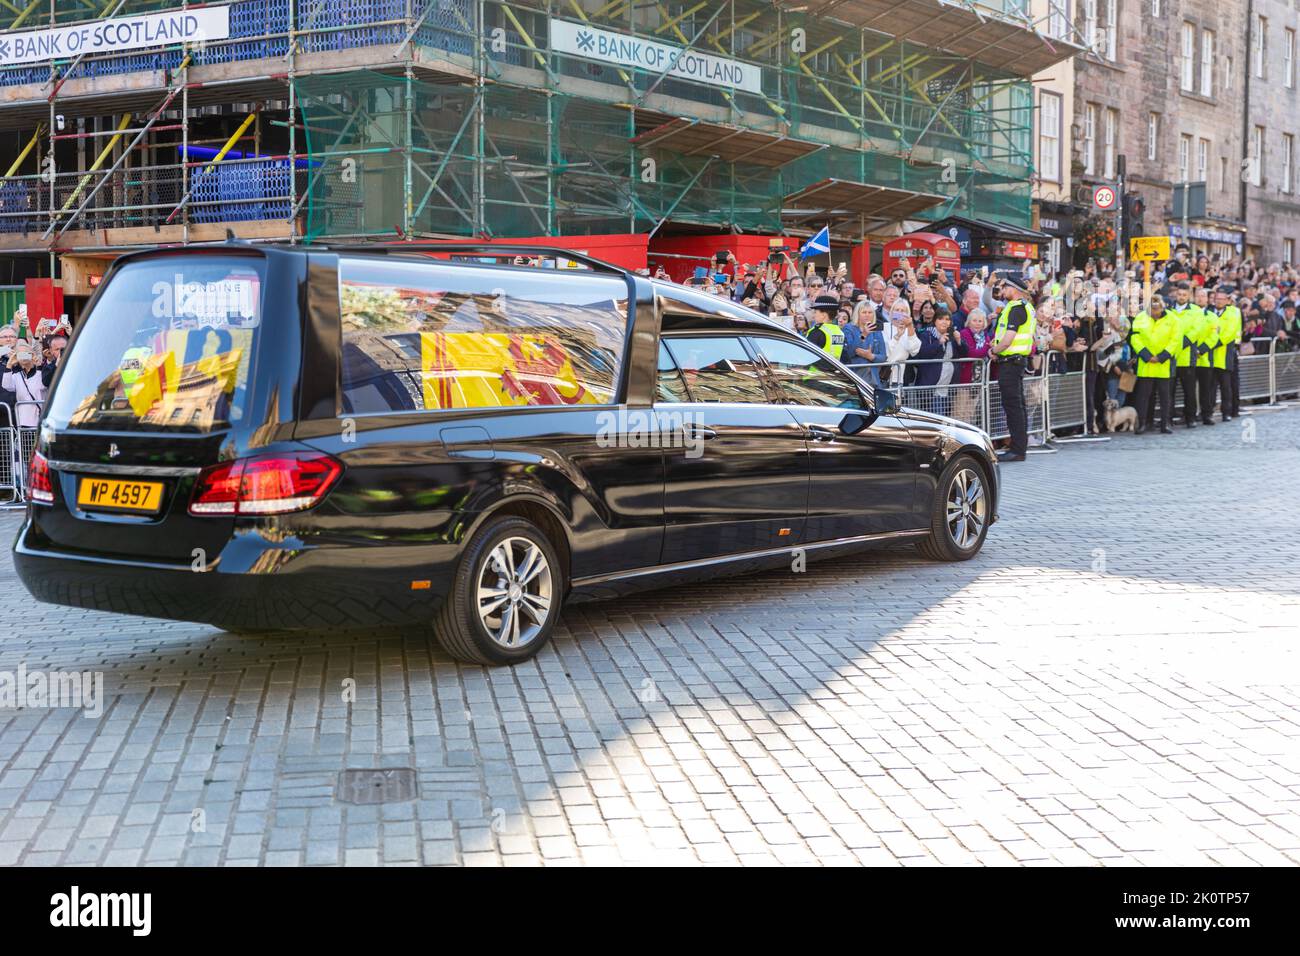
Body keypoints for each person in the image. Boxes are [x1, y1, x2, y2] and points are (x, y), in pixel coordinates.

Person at [988, 272, 1035, 462]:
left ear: (1013, 289)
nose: (1003, 291)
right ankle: (1019, 447)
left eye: (1005, 287)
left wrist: (995, 351)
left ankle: (1017, 450)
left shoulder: (1016, 308)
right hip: (1016, 362)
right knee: (1018, 406)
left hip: (1010, 362)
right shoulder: (1026, 307)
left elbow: (1008, 339)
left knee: (1013, 406)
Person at [1130, 295, 1176, 434]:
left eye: (1157, 309)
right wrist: (1146, 355)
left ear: (1162, 307)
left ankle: (1165, 424)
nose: (1155, 312)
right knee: (1143, 396)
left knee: (1165, 396)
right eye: (1152, 309)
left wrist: (1162, 356)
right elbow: (1135, 337)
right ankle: (1142, 423)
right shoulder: (1141, 318)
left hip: (1163, 364)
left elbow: (1175, 340)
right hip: (1146, 363)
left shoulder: (1172, 319)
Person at [914, 306, 964, 417]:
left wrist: (959, 340)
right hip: (930, 387)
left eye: (947, 319)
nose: (944, 322)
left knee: (945, 417)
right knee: (934, 418)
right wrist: (938, 343)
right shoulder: (926, 334)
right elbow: (922, 354)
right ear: (935, 321)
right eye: (941, 319)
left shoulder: (953, 335)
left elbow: (965, 353)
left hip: (948, 386)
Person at [1167, 281, 1203, 428]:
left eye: (1184, 295)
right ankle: (1168, 419)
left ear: (1189, 295)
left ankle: (1191, 418)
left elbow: (1196, 330)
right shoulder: (1169, 309)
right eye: (1179, 294)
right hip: (1171, 357)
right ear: (1176, 294)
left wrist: (1179, 343)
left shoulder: (1196, 311)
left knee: (1189, 391)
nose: (1181, 297)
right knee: (1169, 391)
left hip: (1187, 357)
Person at [1205, 285, 1241, 421]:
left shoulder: (1232, 313)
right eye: (1216, 299)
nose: (1219, 301)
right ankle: (1209, 412)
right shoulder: (1209, 312)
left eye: (1221, 299)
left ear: (1227, 300)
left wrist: (1212, 343)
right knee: (1210, 388)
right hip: (1210, 357)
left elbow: (1229, 334)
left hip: (1224, 356)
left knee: (1226, 387)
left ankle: (1226, 412)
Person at [3, 342, 47, 427]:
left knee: (47, 440)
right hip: (24, 421)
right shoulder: (17, 375)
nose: (23, 356)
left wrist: (39, 366)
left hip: (42, 419)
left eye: (26, 353)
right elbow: (7, 386)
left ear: (32, 354)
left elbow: (43, 385)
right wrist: (9, 364)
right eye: (20, 354)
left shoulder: (41, 371)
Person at [1193, 286, 1219, 424]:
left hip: (1204, 358)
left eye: (1203, 296)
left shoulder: (1212, 316)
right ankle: (1191, 415)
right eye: (1198, 296)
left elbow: (1213, 337)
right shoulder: (1189, 314)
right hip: (1189, 357)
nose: (1200, 298)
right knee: (1190, 389)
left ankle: (1206, 414)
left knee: (1206, 389)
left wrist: (1200, 350)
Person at [881, 299, 920, 387]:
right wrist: (897, 336)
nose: (900, 313)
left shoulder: (909, 330)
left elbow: (914, 350)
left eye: (903, 311)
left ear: (907, 314)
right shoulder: (884, 327)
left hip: (899, 377)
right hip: (883, 375)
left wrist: (910, 327)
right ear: (891, 312)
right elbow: (885, 351)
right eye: (897, 310)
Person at [847, 300, 887, 385]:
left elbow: (883, 356)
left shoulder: (876, 330)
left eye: (870, 312)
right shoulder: (849, 328)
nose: (867, 315)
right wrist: (864, 335)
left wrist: (870, 356)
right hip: (855, 376)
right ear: (858, 314)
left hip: (874, 378)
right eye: (864, 312)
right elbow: (849, 352)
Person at [805, 294, 845, 359]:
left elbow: (806, 355)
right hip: (833, 368)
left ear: (823, 315)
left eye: (815, 312)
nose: (813, 315)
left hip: (814, 369)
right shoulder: (839, 331)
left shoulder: (817, 332)